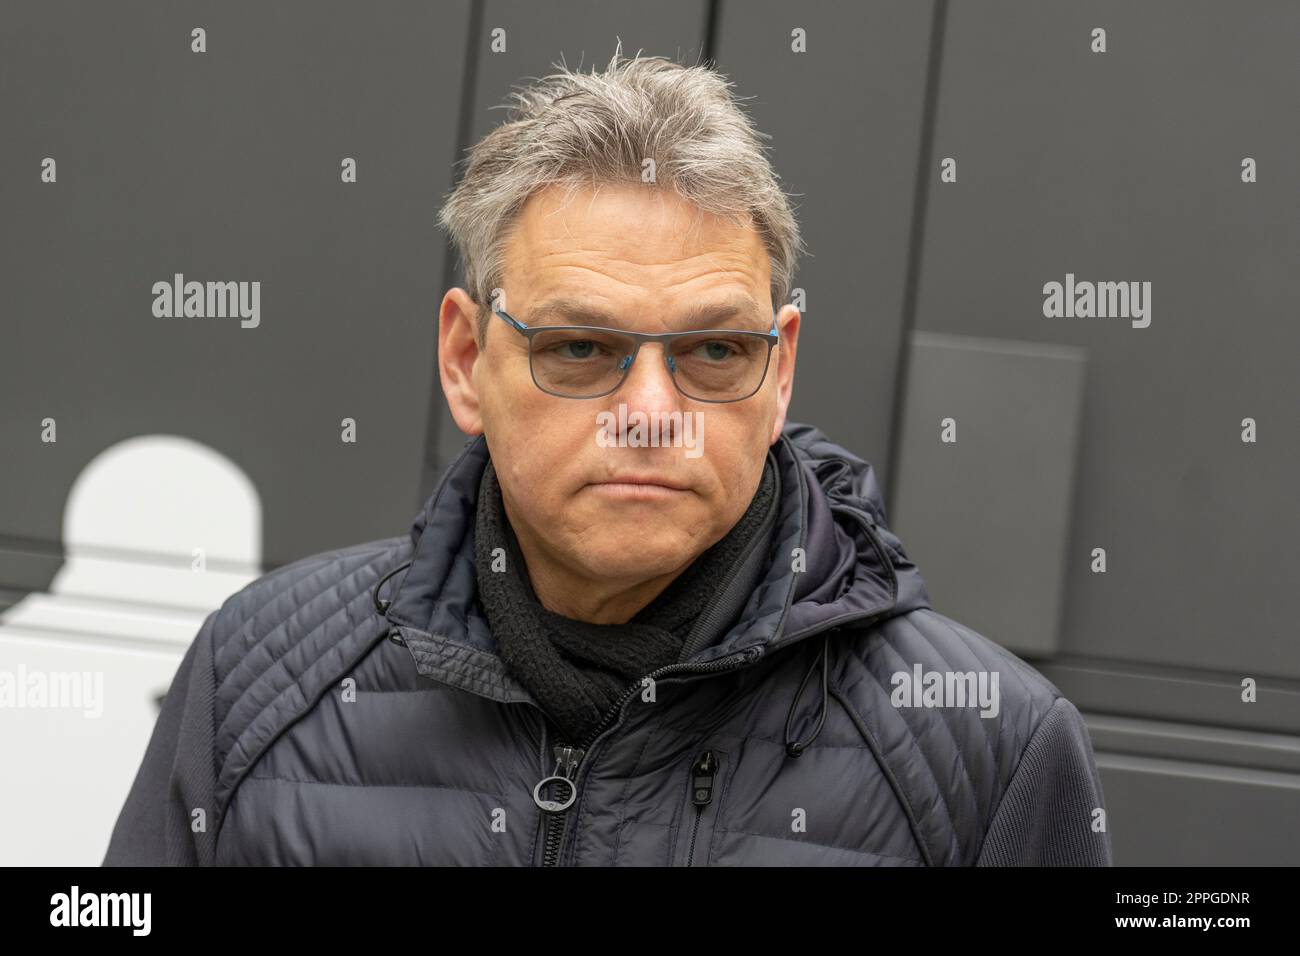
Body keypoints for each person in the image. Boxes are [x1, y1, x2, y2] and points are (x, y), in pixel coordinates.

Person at [104, 46, 1111, 866]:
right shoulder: (258, 676)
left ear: (782, 368)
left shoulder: (988, 746)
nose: (648, 414)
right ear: (466, 358)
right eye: (579, 348)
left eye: (715, 351)